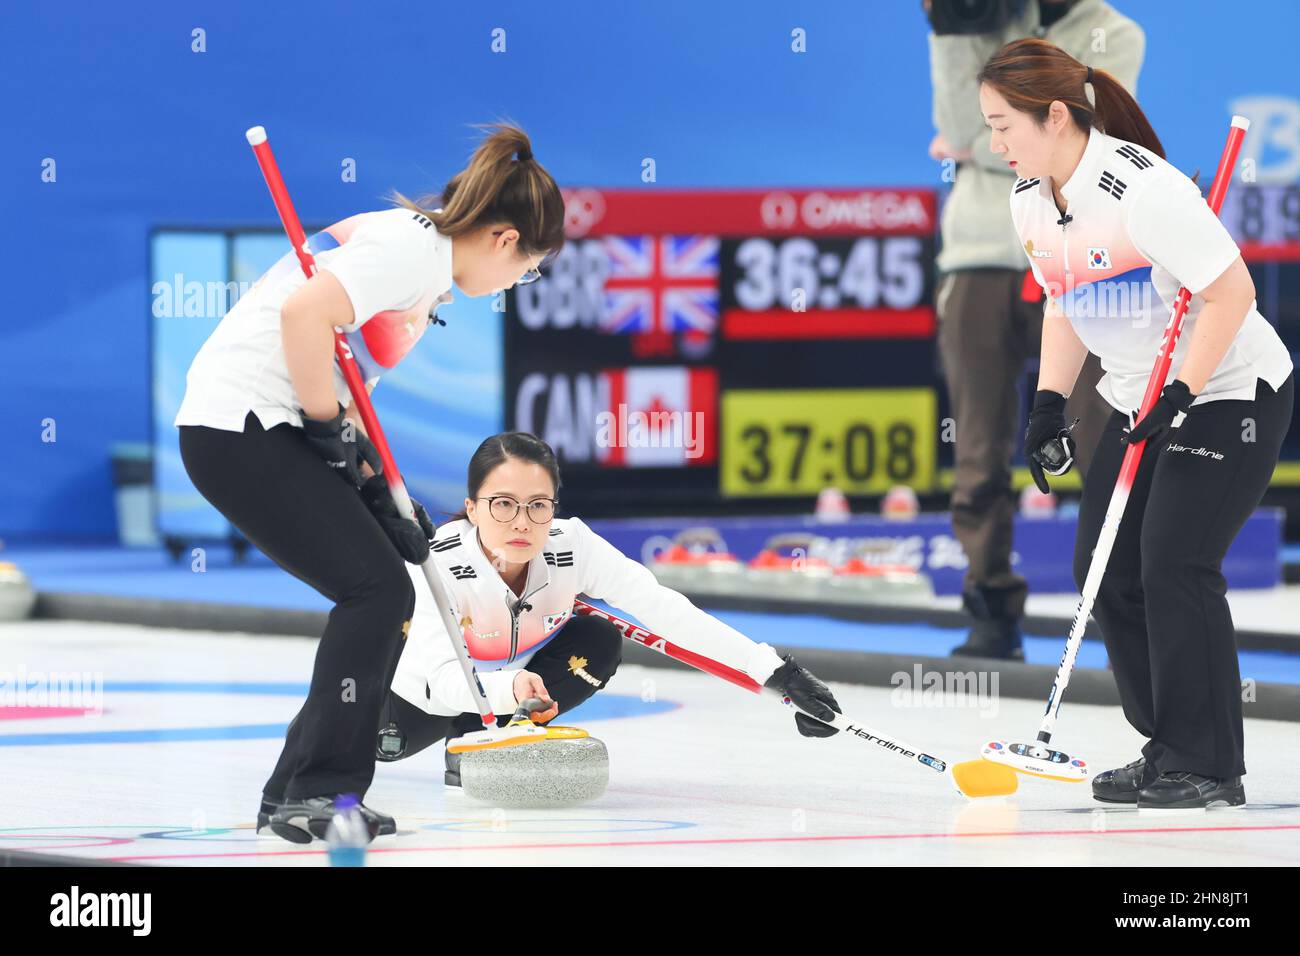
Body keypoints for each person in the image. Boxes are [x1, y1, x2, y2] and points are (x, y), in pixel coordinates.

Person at [175, 124, 567, 844]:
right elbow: (304, 314)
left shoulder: (419, 261)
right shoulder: (411, 251)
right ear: (506, 240)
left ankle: (295, 791)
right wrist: (326, 430)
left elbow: (342, 376)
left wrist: (368, 478)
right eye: (529, 269)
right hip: (242, 426)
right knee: (377, 591)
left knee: (387, 584)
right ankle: (320, 792)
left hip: (270, 425)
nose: (517, 283)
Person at [980, 38, 1294, 808]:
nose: (994, 143)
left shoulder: (1143, 191)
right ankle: (1171, 743)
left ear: (1054, 116)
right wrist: (1049, 403)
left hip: (1227, 392)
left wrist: (1182, 392)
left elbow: (1232, 295)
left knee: (1174, 563)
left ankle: (1210, 761)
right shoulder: (1029, 193)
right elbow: (1064, 296)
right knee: (1107, 572)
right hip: (1135, 397)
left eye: (1002, 125)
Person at [356, 432, 843, 791]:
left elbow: (666, 611)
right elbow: (441, 679)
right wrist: (508, 689)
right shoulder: (437, 561)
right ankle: (455, 727)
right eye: (503, 505)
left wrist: (777, 672)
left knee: (599, 638)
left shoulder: (574, 546)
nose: (522, 522)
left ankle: (487, 743)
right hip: (423, 691)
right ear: (473, 507)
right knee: (371, 744)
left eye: (538, 505)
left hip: (512, 685)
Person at [926, 0, 1145, 659]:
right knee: (978, 450)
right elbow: (966, 126)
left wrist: (980, 147)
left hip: (1083, 251)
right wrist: (949, 31)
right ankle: (991, 612)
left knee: (1106, 438)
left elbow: (1081, 143)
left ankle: (1124, 609)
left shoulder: (1118, 34)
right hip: (981, 252)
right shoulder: (969, 15)